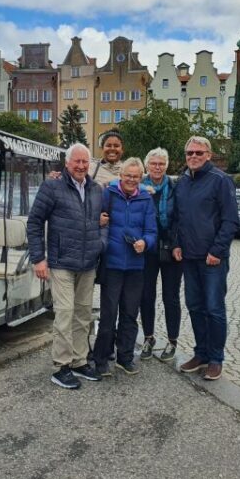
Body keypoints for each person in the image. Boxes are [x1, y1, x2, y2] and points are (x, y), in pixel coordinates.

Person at [27, 143, 108, 389]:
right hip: (61, 262)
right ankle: (61, 366)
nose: (82, 166)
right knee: (64, 313)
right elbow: (34, 223)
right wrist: (38, 258)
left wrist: (99, 245)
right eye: (77, 162)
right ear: (67, 163)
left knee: (83, 313)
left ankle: (79, 361)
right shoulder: (52, 186)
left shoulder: (95, 189)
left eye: (86, 162)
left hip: (87, 262)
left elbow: (100, 222)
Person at [172, 136, 239, 381]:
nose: (193, 157)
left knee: (214, 309)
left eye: (199, 153)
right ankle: (200, 353)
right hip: (189, 257)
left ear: (209, 155)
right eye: (189, 153)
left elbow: (231, 221)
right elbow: (177, 218)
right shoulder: (182, 183)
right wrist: (177, 243)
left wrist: (217, 251)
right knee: (195, 307)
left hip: (212, 259)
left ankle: (215, 359)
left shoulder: (221, 181)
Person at [91, 157, 157, 377]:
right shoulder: (108, 194)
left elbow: (152, 231)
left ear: (141, 178)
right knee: (108, 315)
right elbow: (93, 216)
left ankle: (125, 358)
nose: (131, 179)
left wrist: (145, 242)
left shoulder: (146, 199)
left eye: (135, 177)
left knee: (130, 314)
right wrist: (98, 220)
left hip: (136, 267)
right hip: (112, 264)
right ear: (121, 176)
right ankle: (101, 359)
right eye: (128, 175)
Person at [139, 148, 183, 362]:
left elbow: (181, 218)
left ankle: (173, 339)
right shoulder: (138, 186)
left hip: (171, 247)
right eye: (154, 163)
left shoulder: (176, 187)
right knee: (146, 295)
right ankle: (148, 337)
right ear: (147, 165)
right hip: (147, 248)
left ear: (166, 166)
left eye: (161, 164)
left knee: (171, 297)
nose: (157, 167)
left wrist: (177, 243)